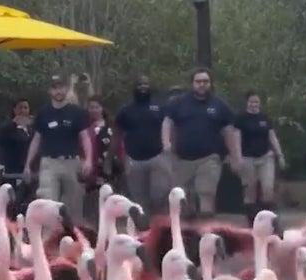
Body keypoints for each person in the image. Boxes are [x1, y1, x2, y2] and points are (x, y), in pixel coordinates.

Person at [162, 68, 238, 216]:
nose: (202, 84)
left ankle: (206, 233)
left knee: (206, 194)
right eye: (198, 81)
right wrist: (166, 143)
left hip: (209, 158)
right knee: (181, 197)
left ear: (210, 83)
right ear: (192, 84)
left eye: (205, 81)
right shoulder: (179, 103)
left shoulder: (219, 105)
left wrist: (235, 156)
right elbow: (167, 122)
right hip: (182, 160)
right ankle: (186, 233)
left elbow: (229, 131)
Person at [23, 76, 92, 213]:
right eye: (55, 88)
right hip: (49, 163)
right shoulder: (43, 113)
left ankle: (73, 233)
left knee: (73, 206)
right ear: (50, 91)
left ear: (66, 89)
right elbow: (36, 140)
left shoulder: (76, 112)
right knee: (48, 205)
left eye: (61, 87)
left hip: (71, 162)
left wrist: (89, 159)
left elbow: (85, 138)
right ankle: (50, 233)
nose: (58, 91)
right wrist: (27, 164)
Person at [114, 75, 170, 210]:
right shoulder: (125, 110)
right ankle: (144, 228)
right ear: (134, 87)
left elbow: (169, 127)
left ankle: (160, 226)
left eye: (146, 84)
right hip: (134, 161)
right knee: (139, 201)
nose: (143, 87)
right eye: (140, 85)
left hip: (158, 158)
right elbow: (117, 134)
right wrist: (114, 157)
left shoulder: (160, 106)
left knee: (159, 196)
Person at [235, 91, 285, 216]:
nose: (254, 104)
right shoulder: (241, 118)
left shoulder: (264, 118)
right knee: (250, 189)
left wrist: (280, 155)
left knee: (268, 188)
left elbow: (272, 137)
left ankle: (267, 216)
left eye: (256, 102)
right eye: (251, 102)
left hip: (265, 156)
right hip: (247, 157)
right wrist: (237, 156)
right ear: (247, 103)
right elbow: (236, 138)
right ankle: (251, 219)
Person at [83, 95, 119, 191]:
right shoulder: (84, 125)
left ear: (102, 108)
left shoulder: (111, 124)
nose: (94, 110)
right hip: (93, 165)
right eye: (91, 107)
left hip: (111, 164)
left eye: (97, 107)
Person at [0, 98, 34, 175]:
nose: (23, 111)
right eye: (20, 108)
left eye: (26, 108)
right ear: (14, 110)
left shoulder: (31, 128)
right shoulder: (8, 127)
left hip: (29, 168)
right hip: (13, 169)